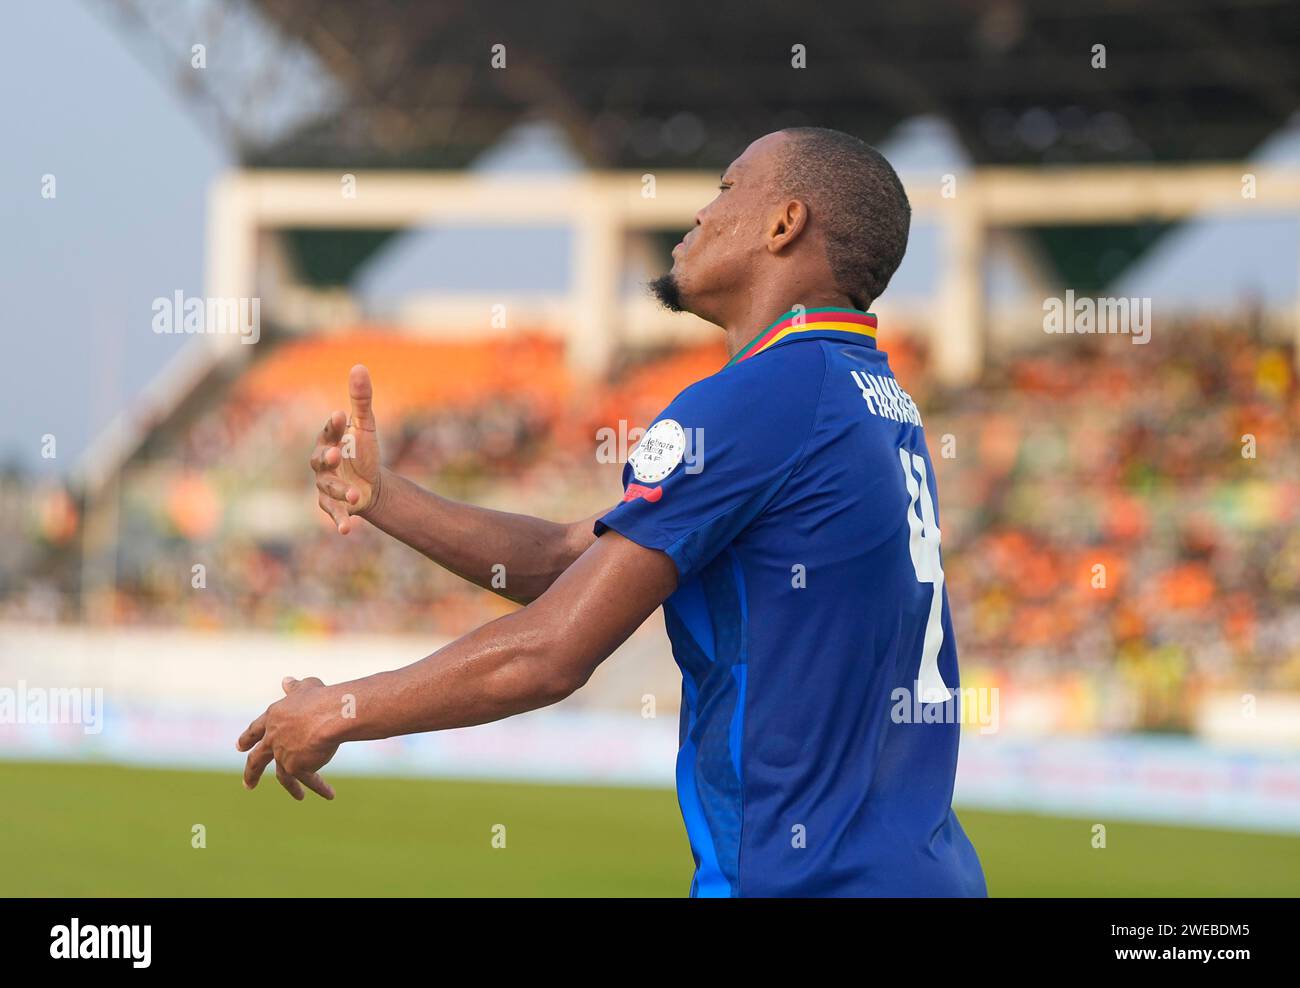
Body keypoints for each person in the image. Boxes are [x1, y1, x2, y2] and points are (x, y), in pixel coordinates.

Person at [237, 127, 987, 897]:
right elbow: (576, 560)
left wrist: (337, 710)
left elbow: (551, 652)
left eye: (728, 189)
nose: (698, 213)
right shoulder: (866, 392)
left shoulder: (767, 393)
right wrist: (385, 497)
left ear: (784, 224)